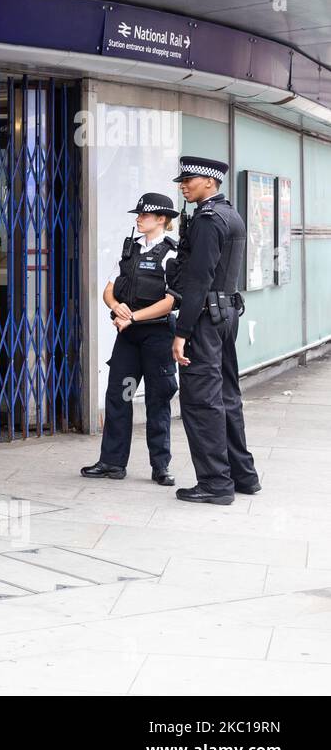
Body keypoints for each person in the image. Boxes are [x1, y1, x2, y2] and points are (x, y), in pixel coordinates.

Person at [170, 156, 259, 505]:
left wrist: (182, 331)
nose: (183, 185)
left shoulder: (207, 220)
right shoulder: (229, 213)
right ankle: (243, 476)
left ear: (210, 181)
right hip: (225, 315)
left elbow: (198, 280)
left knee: (201, 401)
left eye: (189, 180)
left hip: (204, 319)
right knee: (226, 396)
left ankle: (215, 483)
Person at [82, 193, 179, 486]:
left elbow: (171, 301)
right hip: (128, 337)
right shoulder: (128, 251)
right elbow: (109, 290)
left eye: (144, 215)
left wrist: (134, 317)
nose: (138, 219)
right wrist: (115, 307)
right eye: (137, 215)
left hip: (158, 336)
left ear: (161, 219)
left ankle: (160, 466)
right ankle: (112, 462)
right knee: (119, 396)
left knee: (157, 400)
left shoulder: (172, 254)